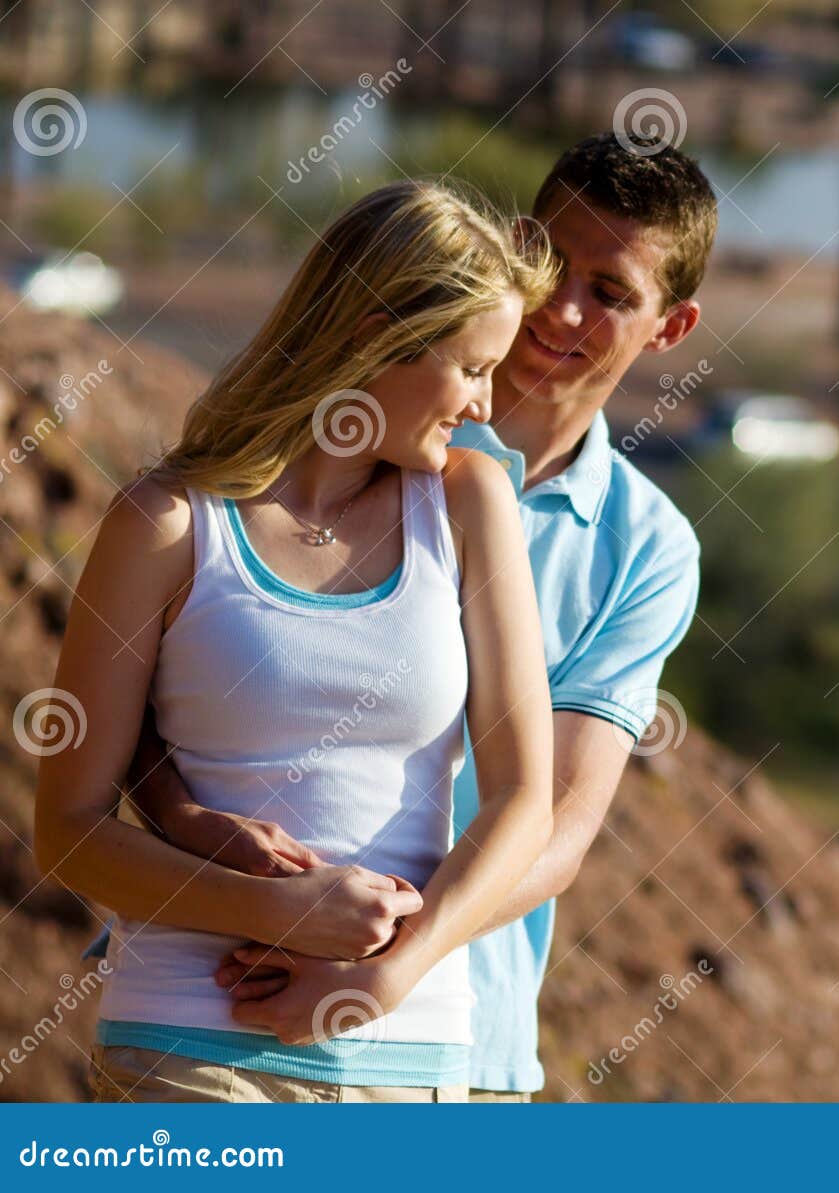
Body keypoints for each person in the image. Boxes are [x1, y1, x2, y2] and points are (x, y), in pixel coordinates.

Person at [121, 134, 718, 1102]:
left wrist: (380, 955)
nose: (562, 307)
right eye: (553, 261)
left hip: (455, 1034)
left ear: (669, 327)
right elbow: (148, 706)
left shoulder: (646, 548)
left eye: (610, 291)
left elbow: (556, 822)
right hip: (215, 990)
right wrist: (195, 828)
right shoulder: (359, 440)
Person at [36, 179, 559, 1103]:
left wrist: (388, 975)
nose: (483, 403)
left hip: (413, 1059)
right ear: (374, 331)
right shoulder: (164, 523)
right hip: (192, 1052)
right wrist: (279, 910)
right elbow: (67, 831)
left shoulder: (473, 506)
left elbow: (525, 796)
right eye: (471, 366)